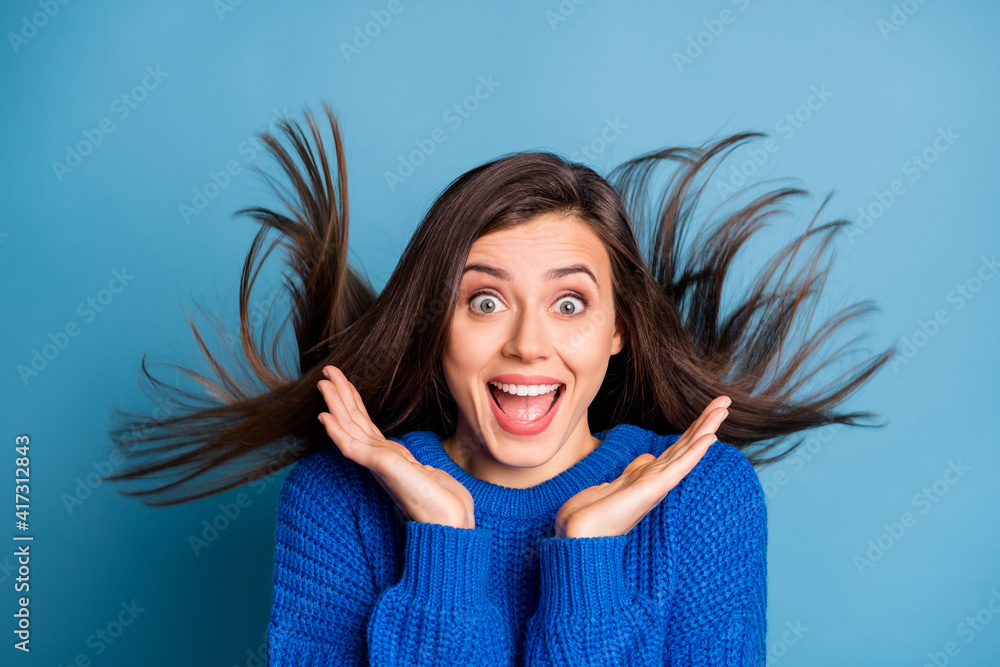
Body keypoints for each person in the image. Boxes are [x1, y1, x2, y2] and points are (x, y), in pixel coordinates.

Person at [106, 103, 895, 665]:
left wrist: (589, 556)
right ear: (435, 324)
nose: (527, 343)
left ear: (618, 329)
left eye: (569, 303)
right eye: (484, 301)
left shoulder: (704, 497)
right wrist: (443, 542)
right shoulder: (337, 501)